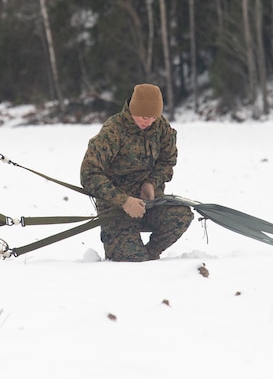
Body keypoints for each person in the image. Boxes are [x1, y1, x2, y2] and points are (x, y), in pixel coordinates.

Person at [80, 84, 193, 261]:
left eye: (153, 117)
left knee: (181, 214)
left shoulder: (161, 127)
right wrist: (123, 201)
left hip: (149, 204)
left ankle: (151, 254)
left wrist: (151, 183)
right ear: (133, 109)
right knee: (131, 260)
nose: (148, 122)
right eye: (143, 117)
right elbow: (89, 173)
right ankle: (137, 255)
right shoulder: (113, 131)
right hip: (116, 208)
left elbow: (167, 161)